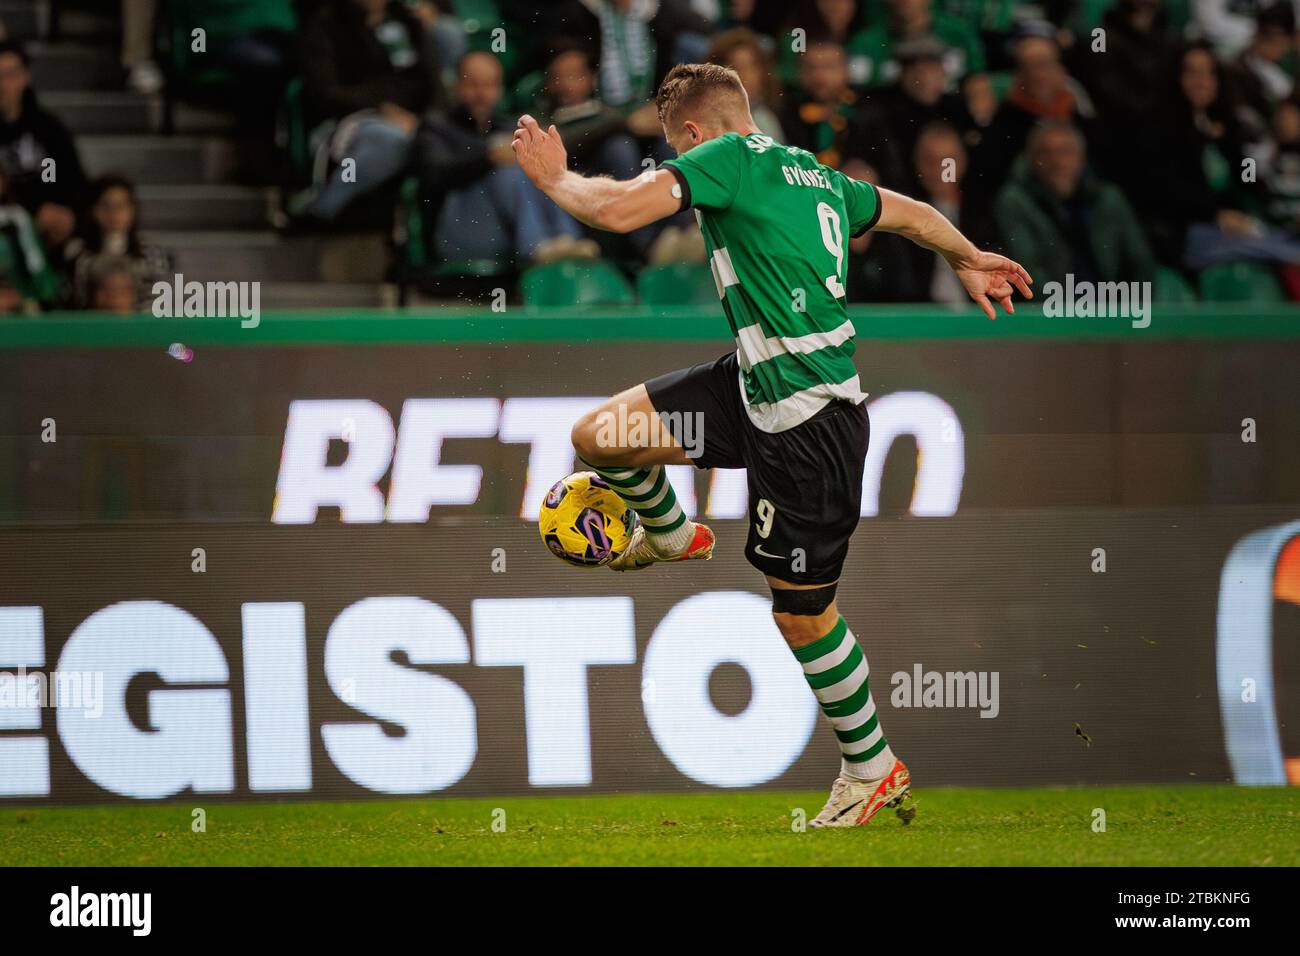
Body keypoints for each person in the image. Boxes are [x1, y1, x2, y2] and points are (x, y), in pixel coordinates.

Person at [511, 62, 1032, 826]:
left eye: (674, 147)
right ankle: (668, 533)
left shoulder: (725, 159)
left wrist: (557, 181)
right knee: (600, 436)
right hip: (752, 384)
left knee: (802, 614)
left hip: (807, 422)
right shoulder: (817, 177)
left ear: (693, 133)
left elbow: (621, 212)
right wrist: (965, 254)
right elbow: (913, 211)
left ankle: (872, 767)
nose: (679, 161)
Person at [994, 121, 1155, 288]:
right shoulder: (1015, 201)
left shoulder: (1108, 199)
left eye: (1066, 152)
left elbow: (1141, 262)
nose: (1057, 162)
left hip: (1113, 305)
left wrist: (1132, 307)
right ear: (1032, 160)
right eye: (1045, 153)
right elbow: (1028, 272)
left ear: (1082, 158)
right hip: (1052, 309)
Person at [0, 40, 87, 254]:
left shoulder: (48, 129)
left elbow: (71, 181)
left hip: (44, 230)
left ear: (25, 77)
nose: (2, 84)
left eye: (10, 75)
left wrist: (58, 210)